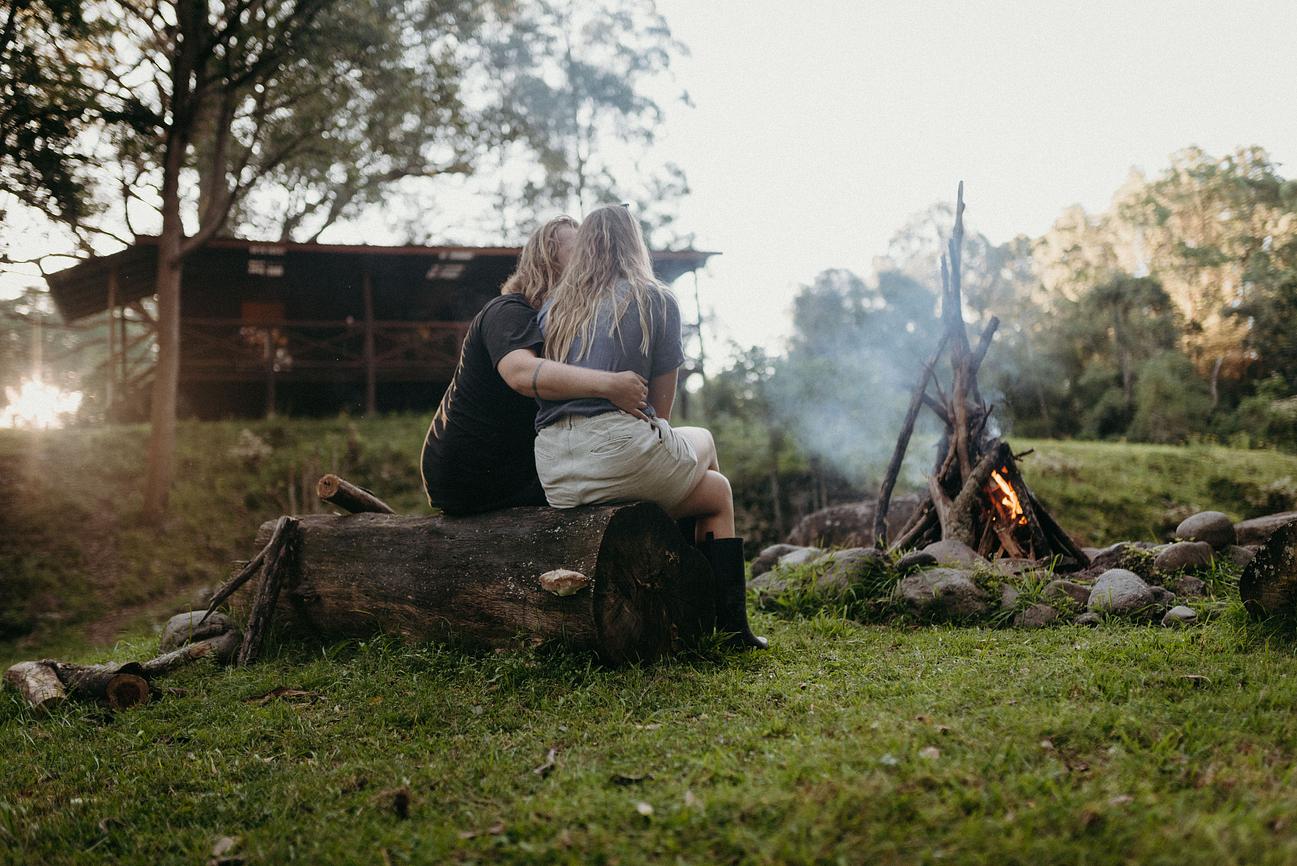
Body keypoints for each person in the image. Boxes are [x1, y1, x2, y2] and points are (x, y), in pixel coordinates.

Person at [532, 204, 766, 648]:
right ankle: (725, 626)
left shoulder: (553, 309)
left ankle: (685, 606)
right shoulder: (653, 298)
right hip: (619, 452)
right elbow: (659, 411)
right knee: (707, 453)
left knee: (712, 489)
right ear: (633, 242)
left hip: (555, 469)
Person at [420, 216, 649, 515]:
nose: (591, 260)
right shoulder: (508, 310)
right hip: (473, 475)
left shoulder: (562, 328)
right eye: (579, 252)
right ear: (546, 260)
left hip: (509, 468)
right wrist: (611, 385)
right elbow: (521, 373)